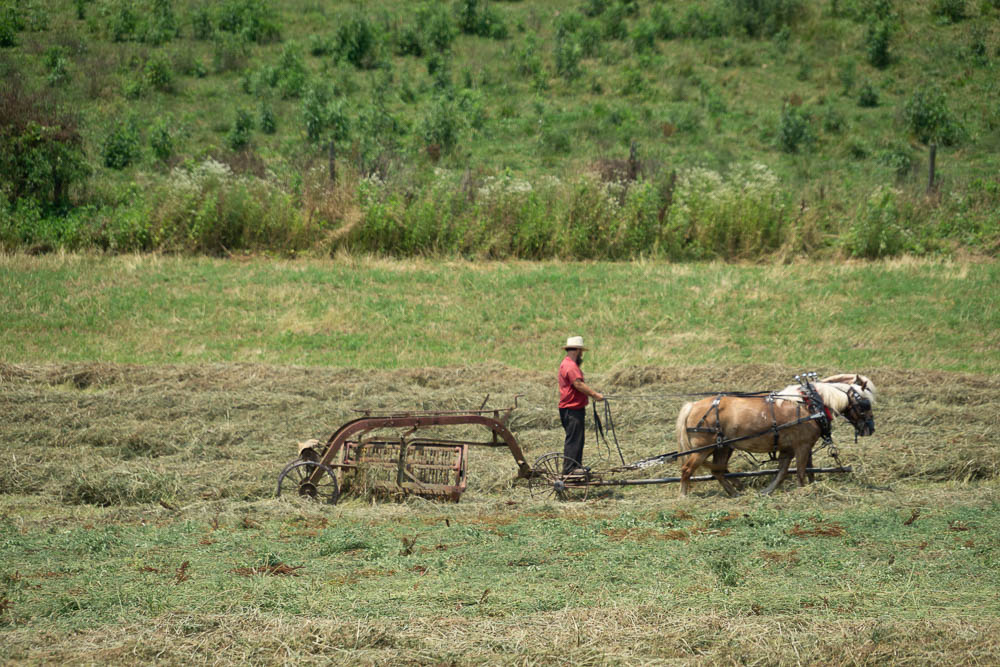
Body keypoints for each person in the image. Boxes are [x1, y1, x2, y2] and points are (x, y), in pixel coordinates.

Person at [558, 336, 604, 474]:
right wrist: (595, 395)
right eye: (581, 351)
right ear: (577, 350)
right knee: (574, 440)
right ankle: (570, 469)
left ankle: (576, 466)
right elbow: (578, 384)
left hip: (572, 408)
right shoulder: (571, 366)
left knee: (578, 439)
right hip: (572, 408)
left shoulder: (566, 363)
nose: (582, 355)